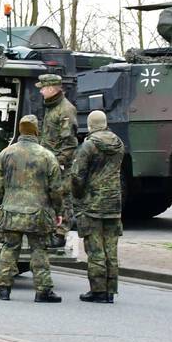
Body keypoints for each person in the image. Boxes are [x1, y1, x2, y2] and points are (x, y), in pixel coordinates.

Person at [0, 114, 65, 303]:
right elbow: (56, 189)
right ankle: (43, 290)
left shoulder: (5, 153)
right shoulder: (47, 155)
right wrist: (59, 212)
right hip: (37, 213)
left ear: (20, 130)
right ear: (36, 131)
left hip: (11, 211)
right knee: (39, 250)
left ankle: (4, 288)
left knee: (9, 248)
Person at [70, 109, 124, 304]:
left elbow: (77, 175)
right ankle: (111, 290)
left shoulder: (88, 146)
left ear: (91, 125)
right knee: (111, 248)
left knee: (95, 249)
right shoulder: (119, 144)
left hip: (92, 202)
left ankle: (98, 290)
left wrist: (77, 195)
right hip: (114, 201)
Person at [37, 73, 78, 250]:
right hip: (48, 160)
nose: (41, 92)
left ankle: (60, 233)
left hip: (59, 164)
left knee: (62, 196)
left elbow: (69, 143)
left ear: (52, 88)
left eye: (43, 88)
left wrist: (58, 162)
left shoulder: (65, 110)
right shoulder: (51, 107)